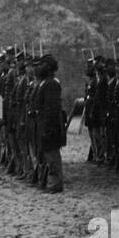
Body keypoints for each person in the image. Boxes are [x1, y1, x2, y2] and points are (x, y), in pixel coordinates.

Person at [34, 54, 65, 192]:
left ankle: (55, 183)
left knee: (52, 155)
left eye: (42, 65)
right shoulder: (46, 83)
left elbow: (51, 109)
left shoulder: (51, 84)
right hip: (45, 124)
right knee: (48, 154)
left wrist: (47, 128)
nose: (39, 67)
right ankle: (51, 182)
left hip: (50, 126)